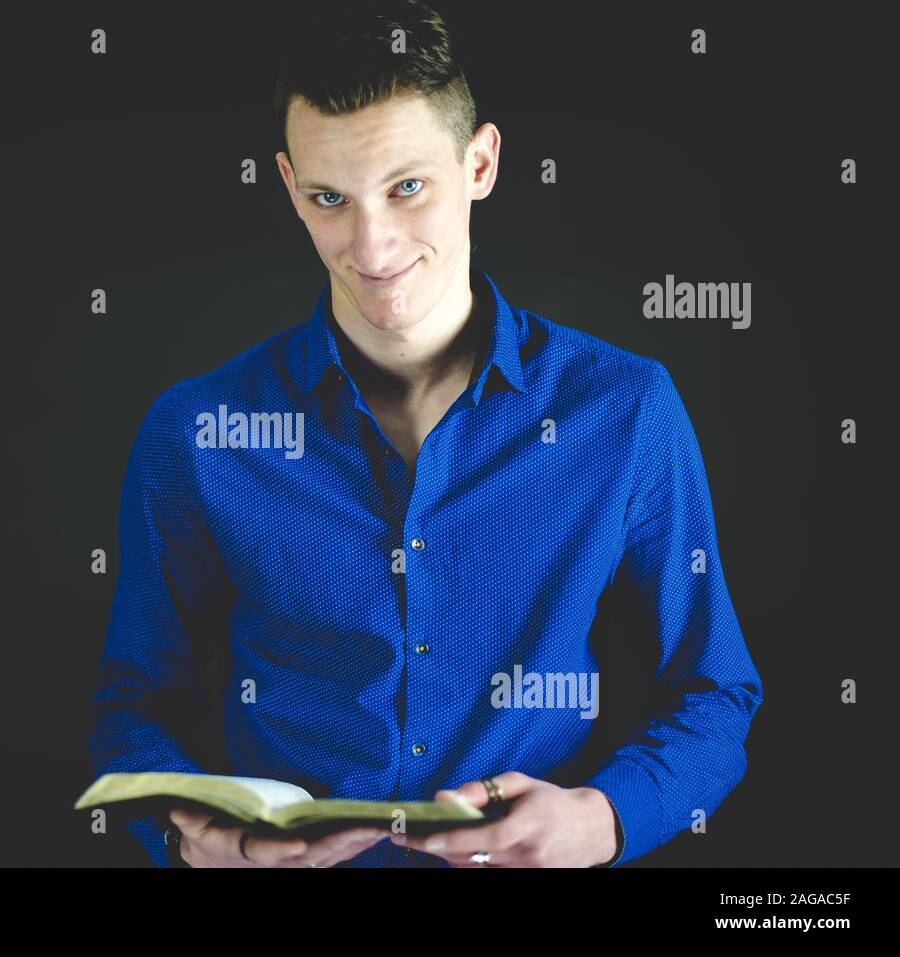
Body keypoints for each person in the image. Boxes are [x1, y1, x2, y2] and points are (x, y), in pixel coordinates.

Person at [87, 0, 762, 867]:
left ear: (479, 163)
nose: (372, 246)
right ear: (290, 188)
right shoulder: (194, 433)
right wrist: (187, 837)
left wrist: (604, 818)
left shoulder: (627, 410)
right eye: (331, 198)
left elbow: (716, 691)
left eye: (407, 186)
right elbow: (134, 707)